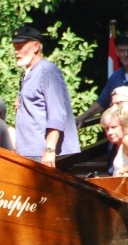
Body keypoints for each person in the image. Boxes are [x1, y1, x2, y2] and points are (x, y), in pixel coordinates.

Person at [11, 25, 80, 166]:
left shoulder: (47, 71)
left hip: (43, 153)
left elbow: (56, 114)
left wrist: (49, 150)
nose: (16, 51)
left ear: (36, 47)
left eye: (21, 46)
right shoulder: (27, 73)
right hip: (28, 151)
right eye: (15, 47)